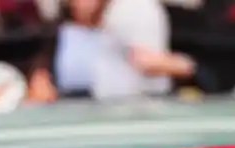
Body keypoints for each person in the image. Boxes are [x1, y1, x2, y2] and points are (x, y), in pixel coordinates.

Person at [27, 0, 194, 102]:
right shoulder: (117, 10)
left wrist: (185, 65)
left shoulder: (133, 8)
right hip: (105, 103)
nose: (77, 5)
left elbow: (145, 61)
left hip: (135, 104)